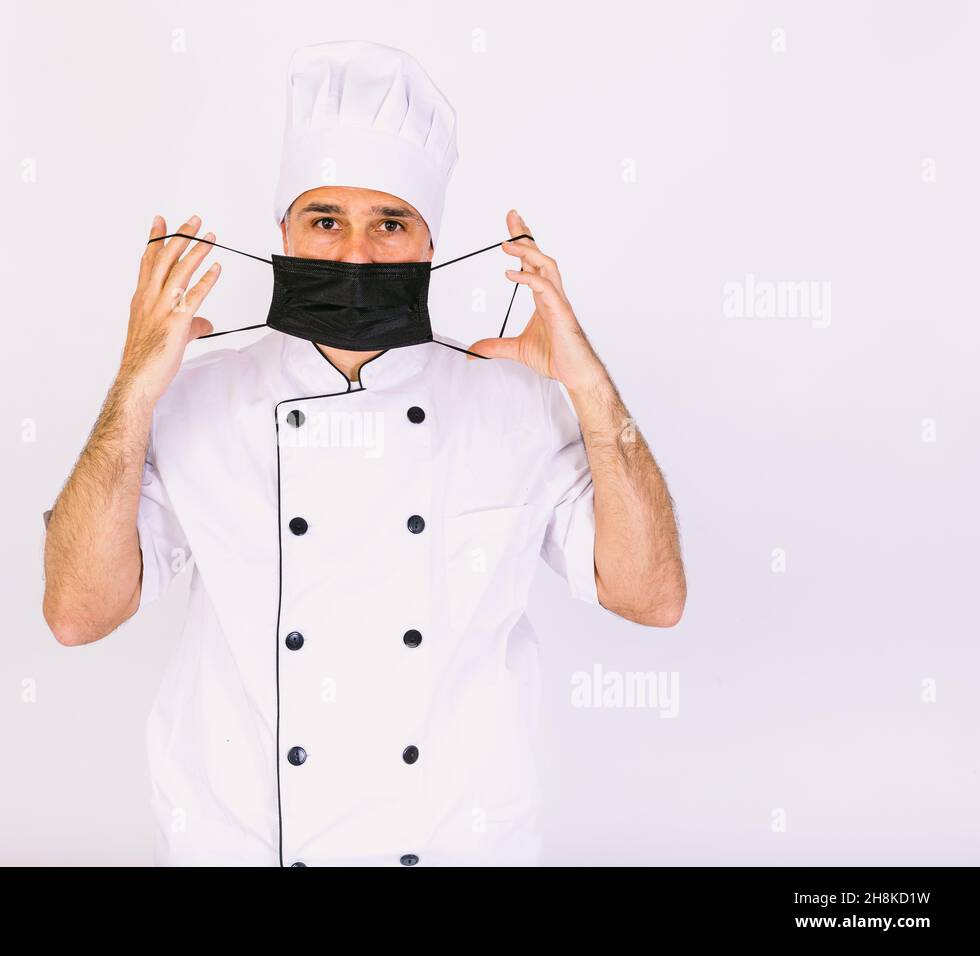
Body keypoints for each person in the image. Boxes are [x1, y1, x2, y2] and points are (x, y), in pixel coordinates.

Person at [42, 40, 685, 866]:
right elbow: (76, 614)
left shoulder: (514, 402)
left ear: (430, 243)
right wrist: (132, 387)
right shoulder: (193, 400)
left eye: (390, 223)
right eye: (325, 220)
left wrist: (590, 385)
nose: (354, 254)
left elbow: (653, 598)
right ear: (282, 233)